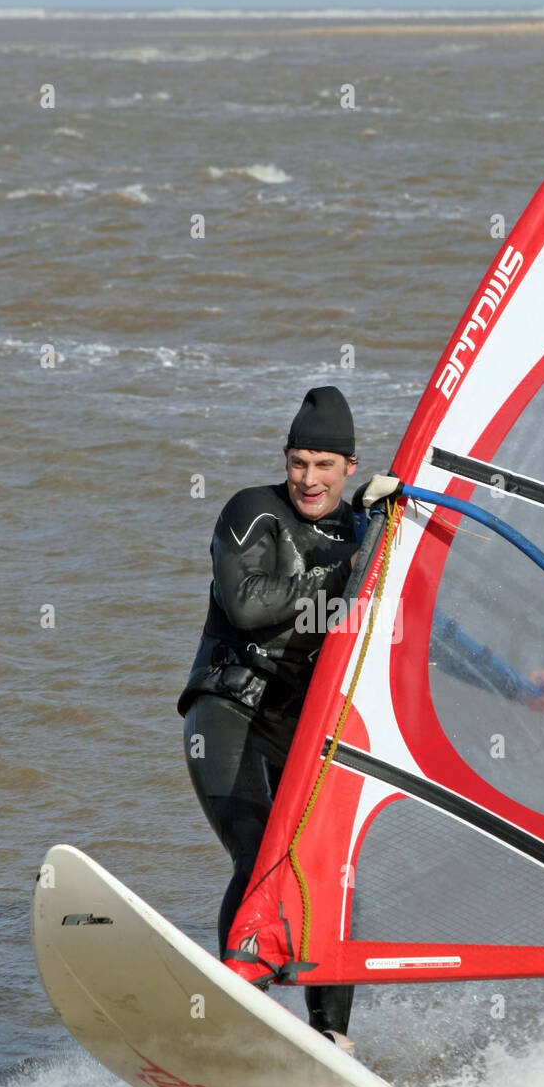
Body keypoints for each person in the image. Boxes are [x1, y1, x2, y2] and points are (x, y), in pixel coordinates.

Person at [178, 386, 362, 1048]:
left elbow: (427, 629)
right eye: (298, 463)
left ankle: (330, 1037)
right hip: (228, 709)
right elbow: (248, 605)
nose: (308, 480)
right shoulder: (251, 511)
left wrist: (517, 686)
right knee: (257, 853)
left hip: (302, 730)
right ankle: (237, 1005)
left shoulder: (364, 533)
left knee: (329, 871)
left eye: (323, 465)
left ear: (349, 467)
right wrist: (343, 564)